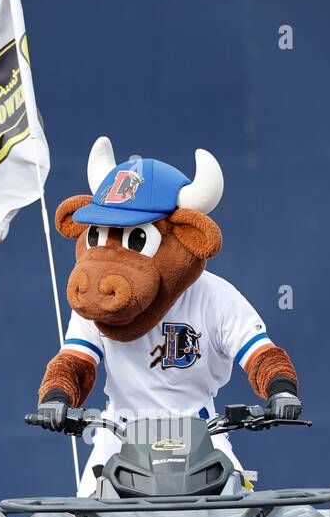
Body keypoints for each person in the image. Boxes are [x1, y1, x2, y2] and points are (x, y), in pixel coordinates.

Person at [36, 138, 300, 495]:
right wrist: (56, 397)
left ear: (189, 235)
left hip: (202, 436)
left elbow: (260, 354)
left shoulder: (214, 295)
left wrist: (280, 390)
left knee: (244, 516)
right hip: (119, 436)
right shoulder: (98, 302)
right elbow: (76, 362)